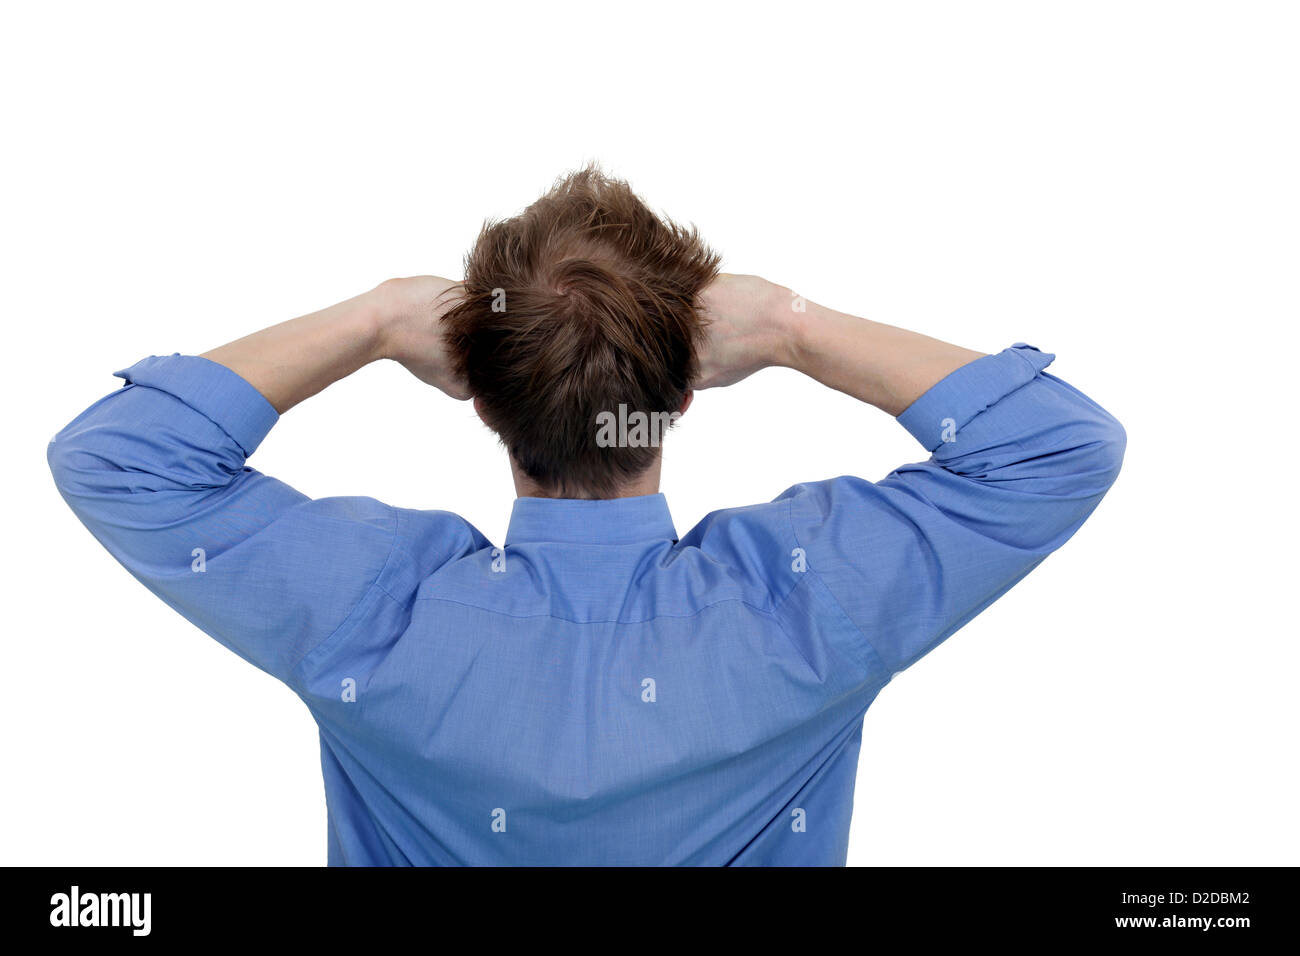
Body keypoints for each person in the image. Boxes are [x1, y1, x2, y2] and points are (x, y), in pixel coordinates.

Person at [47, 166, 1125, 865]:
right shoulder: (804, 601)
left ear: (480, 398)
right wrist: (792, 327)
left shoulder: (372, 610)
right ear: (684, 395)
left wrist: (375, 318)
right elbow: (1058, 447)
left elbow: (120, 459)